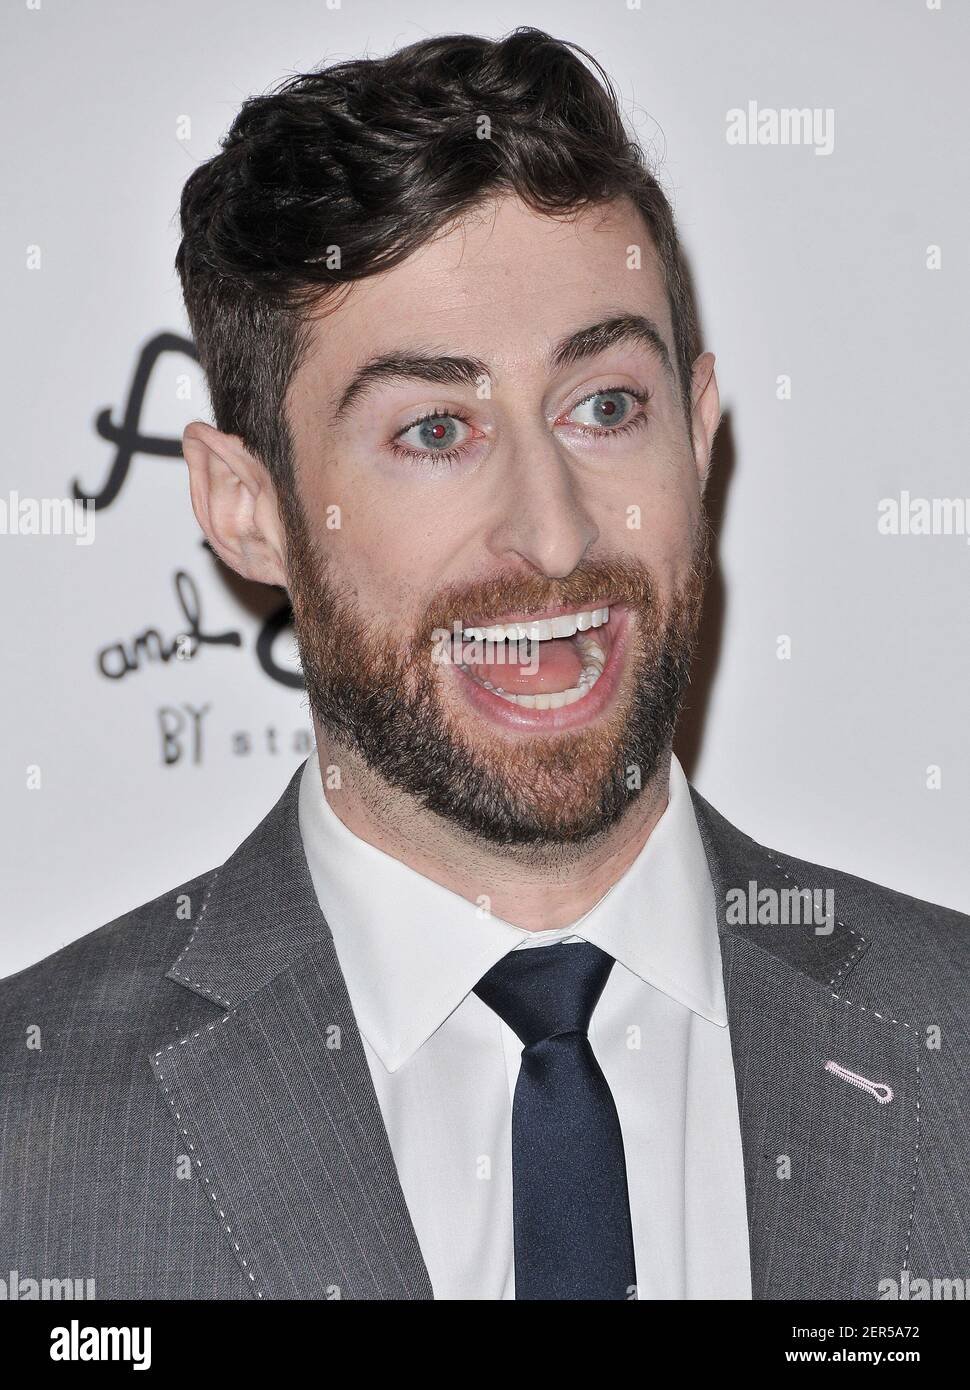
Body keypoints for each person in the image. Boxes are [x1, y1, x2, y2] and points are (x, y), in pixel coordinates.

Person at [2, 27, 967, 1302]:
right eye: (436, 428)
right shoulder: (33, 1138)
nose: (552, 531)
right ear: (248, 508)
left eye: (605, 406)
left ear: (699, 432)